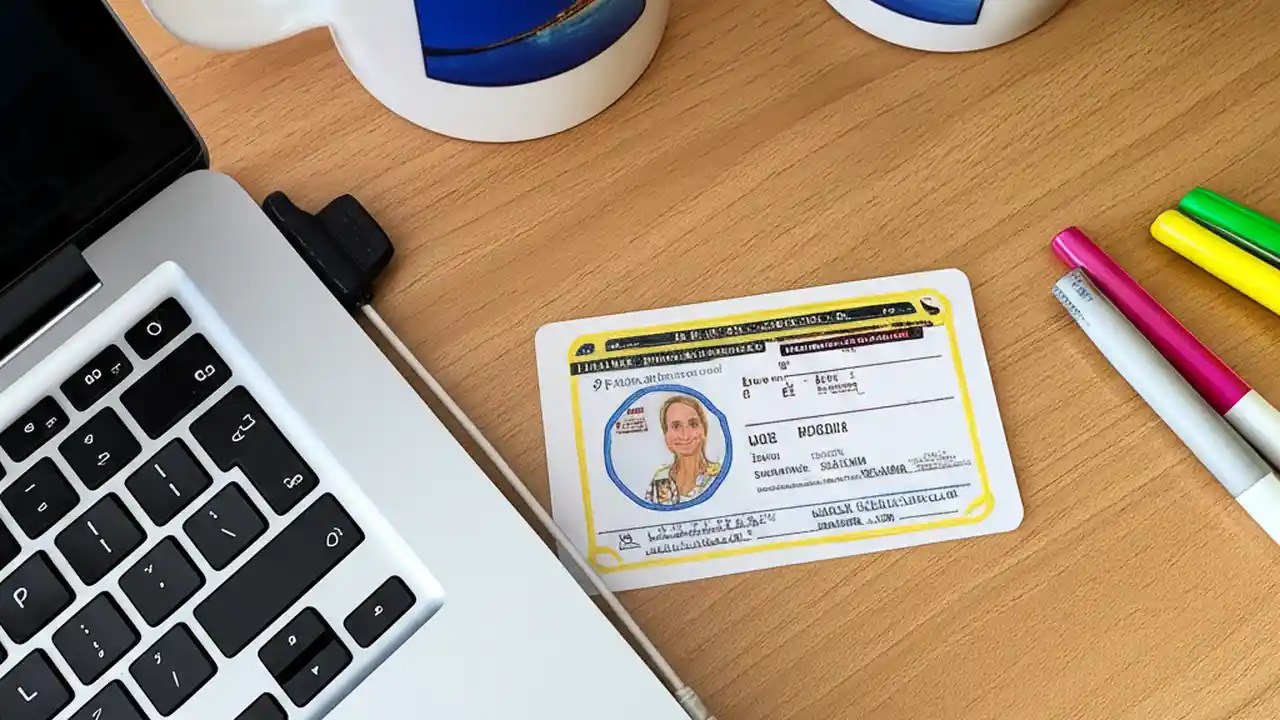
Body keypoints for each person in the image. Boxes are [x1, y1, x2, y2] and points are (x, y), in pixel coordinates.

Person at [645, 395, 721, 505]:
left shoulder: (717, 476)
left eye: (693, 424)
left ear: (704, 430)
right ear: (666, 436)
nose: (685, 435)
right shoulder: (660, 479)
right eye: (676, 426)